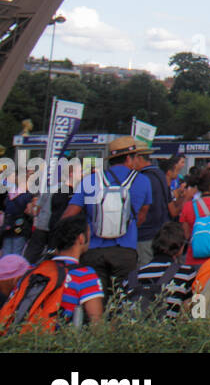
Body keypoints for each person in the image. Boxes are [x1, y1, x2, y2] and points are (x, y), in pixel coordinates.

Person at [61, 136, 155, 292]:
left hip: (93, 249)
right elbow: (141, 217)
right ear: (129, 158)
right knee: (123, 300)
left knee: (93, 298)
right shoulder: (143, 181)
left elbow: (69, 215)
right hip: (126, 249)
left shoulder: (90, 180)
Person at [1, 215, 103, 330]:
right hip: (59, 342)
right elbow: (97, 322)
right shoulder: (85, 275)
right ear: (81, 238)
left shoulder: (31, 271)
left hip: (24, 337)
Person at [123, 221, 196, 319]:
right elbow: (196, 312)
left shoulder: (132, 277)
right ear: (181, 248)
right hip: (170, 332)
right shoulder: (187, 274)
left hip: (135, 331)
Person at [134, 146, 172, 267]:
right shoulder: (160, 174)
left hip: (145, 233)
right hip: (160, 232)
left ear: (139, 158)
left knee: (145, 270)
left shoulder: (143, 178)